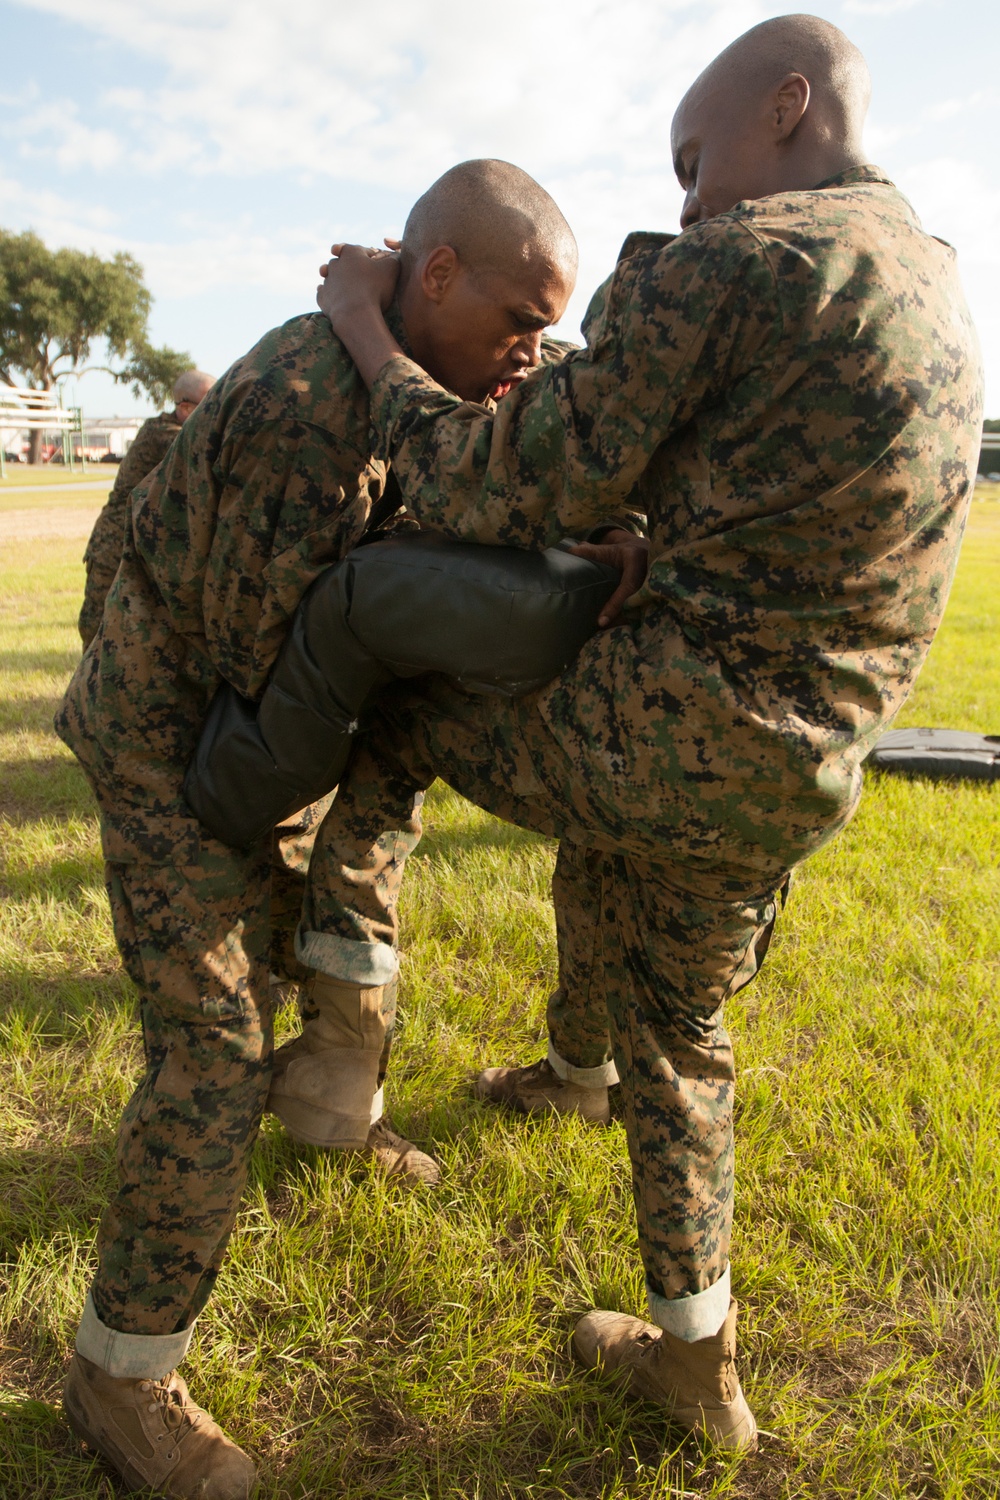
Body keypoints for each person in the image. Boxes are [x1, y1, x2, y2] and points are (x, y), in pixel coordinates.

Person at [307, 13, 982, 1453]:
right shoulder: (934, 275)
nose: (684, 199)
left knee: (398, 709)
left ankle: (332, 1072)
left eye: (695, 160)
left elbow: (498, 480)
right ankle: (691, 1352)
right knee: (680, 1016)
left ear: (789, 105)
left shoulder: (743, 263)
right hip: (802, 763)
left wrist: (368, 326)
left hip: (671, 730)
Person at [55, 160, 583, 1500]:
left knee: (303, 945)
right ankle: (121, 1376)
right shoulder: (308, 403)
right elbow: (259, 655)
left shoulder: (389, 382)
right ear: (438, 274)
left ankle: (328, 1123)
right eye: (520, 316)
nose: (528, 350)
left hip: (235, 740)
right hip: (170, 748)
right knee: (212, 1048)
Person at [79, 369, 216, 648]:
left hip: (141, 544)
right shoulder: (163, 434)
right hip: (115, 542)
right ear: (186, 407)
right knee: (97, 627)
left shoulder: (183, 432)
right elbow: (207, 454)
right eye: (210, 403)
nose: (216, 411)